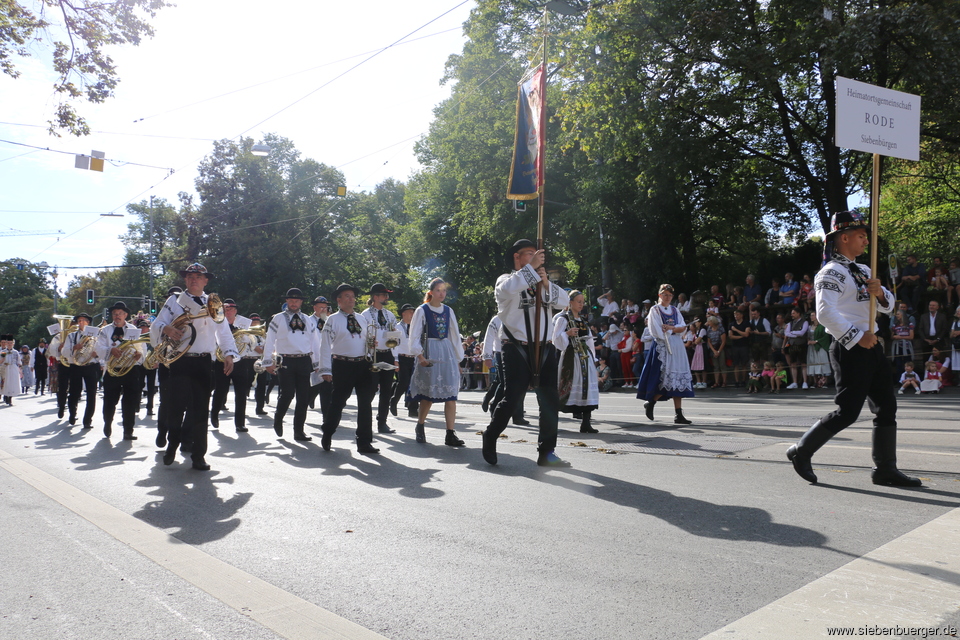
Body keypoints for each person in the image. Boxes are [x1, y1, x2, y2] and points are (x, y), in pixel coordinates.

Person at [786, 211, 921, 487]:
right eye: (861, 236)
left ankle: (884, 469)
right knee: (847, 411)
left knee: (886, 406)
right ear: (843, 238)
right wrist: (857, 336)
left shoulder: (865, 269)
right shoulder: (831, 272)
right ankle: (802, 451)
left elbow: (888, 306)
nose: (865, 242)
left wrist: (880, 292)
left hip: (872, 345)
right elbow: (824, 313)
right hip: (850, 346)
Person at [482, 239, 571, 467]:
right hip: (516, 347)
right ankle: (491, 435)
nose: (535, 257)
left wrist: (545, 282)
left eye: (537, 254)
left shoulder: (540, 281)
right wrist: (531, 269)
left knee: (550, 402)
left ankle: (547, 452)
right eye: (529, 254)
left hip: (544, 348)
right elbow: (508, 290)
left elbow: (564, 301)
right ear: (517, 257)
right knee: (512, 399)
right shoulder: (506, 280)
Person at [152, 263, 239, 471]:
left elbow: (223, 331)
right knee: (176, 407)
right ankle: (172, 444)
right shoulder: (174, 300)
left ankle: (199, 455)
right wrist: (167, 328)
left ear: (205, 281)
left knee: (200, 410)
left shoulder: (213, 303)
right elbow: (156, 323)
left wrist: (228, 354)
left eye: (198, 277)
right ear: (185, 280)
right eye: (190, 276)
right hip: (180, 360)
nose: (194, 280)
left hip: (203, 361)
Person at [319, 283, 380, 454]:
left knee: (365, 405)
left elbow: (367, 340)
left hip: (363, 365)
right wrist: (325, 369)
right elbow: (324, 346)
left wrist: (372, 345)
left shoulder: (362, 318)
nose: (351, 299)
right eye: (347, 296)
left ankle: (364, 442)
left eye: (353, 296)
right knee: (338, 403)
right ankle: (328, 431)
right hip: (342, 365)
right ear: (339, 300)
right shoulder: (332, 320)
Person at [407, 278, 465, 446]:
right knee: (429, 396)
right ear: (431, 292)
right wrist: (420, 356)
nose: (442, 293)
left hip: (446, 353)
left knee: (451, 395)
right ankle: (420, 425)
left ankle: (450, 433)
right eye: (439, 290)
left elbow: (454, 336)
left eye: (444, 290)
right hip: (430, 353)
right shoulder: (422, 310)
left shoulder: (448, 311)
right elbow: (415, 335)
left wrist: (457, 359)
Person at [262, 288, 322, 442]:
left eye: (297, 300)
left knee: (303, 398)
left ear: (301, 302)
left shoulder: (308, 320)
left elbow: (315, 342)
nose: (294, 303)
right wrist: (267, 361)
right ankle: (278, 418)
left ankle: (298, 431)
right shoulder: (278, 318)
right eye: (291, 300)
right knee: (287, 394)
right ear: (287, 301)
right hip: (286, 361)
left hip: (304, 361)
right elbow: (270, 340)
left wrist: (317, 363)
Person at [637, 284, 694, 424]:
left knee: (677, 378)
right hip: (663, 347)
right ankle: (651, 402)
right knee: (665, 378)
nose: (667, 297)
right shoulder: (655, 310)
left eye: (669, 295)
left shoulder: (675, 310)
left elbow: (683, 327)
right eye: (665, 294)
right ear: (659, 295)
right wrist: (672, 330)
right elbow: (655, 330)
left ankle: (678, 413)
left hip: (677, 346)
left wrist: (671, 328)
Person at [553, 290, 600, 433]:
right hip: (571, 358)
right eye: (578, 301)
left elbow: (590, 341)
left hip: (585, 358)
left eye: (582, 302)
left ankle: (586, 423)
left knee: (587, 390)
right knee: (568, 388)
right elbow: (555, 339)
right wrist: (566, 334)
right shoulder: (563, 319)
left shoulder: (583, 321)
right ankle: (552, 422)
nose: (581, 304)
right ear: (570, 302)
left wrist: (594, 358)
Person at [210, 299, 256, 434]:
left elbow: (252, 343)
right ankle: (214, 414)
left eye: (231, 309)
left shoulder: (244, 323)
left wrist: (245, 338)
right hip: (222, 360)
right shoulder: (217, 322)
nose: (228, 311)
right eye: (226, 309)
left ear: (235, 311)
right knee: (220, 390)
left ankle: (240, 423)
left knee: (241, 393)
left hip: (241, 361)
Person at [360, 283, 400, 434]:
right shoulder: (364, 315)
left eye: (387, 295)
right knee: (370, 389)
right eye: (384, 295)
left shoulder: (390, 315)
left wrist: (395, 356)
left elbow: (394, 341)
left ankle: (382, 422)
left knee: (386, 390)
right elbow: (362, 336)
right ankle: (364, 419)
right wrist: (369, 343)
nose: (386, 297)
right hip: (373, 355)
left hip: (387, 354)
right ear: (375, 297)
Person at [153, 285, 182, 446]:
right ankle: (162, 432)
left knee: (184, 400)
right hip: (166, 360)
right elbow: (154, 337)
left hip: (184, 358)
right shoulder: (162, 318)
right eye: (171, 297)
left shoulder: (186, 313)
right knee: (165, 400)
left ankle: (181, 437)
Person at [390, 304, 420, 419]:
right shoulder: (396, 327)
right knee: (403, 382)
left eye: (413, 312)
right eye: (410, 312)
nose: (413, 314)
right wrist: (395, 360)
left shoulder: (416, 328)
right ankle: (394, 400)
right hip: (402, 358)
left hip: (414, 358)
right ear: (403, 314)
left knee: (415, 383)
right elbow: (392, 345)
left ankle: (413, 408)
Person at [307, 296, 334, 422]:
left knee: (327, 388)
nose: (323, 309)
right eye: (321, 307)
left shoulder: (330, 321)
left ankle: (326, 416)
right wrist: (315, 362)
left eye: (325, 307)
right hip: (312, 359)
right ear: (315, 308)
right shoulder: (308, 320)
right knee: (313, 386)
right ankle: (309, 398)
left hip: (328, 358)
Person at [783, 308, 809, 389]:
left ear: (798, 313)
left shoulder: (805, 322)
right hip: (792, 345)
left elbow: (802, 333)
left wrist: (792, 332)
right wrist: (795, 333)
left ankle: (805, 382)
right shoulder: (790, 323)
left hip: (802, 345)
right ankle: (795, 382)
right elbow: (786, 333)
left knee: (803, 363)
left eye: (793, 313)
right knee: (793, 363)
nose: (792, 315)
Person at [806, 311, 832, 388]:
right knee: (813, 362)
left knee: (822, 362)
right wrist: (809, 341)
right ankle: (815, 382)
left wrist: (816, 341)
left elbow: (826, 337)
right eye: (811, 315)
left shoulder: (822, 326)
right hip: (812, 347)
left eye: (813, 315)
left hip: (820, 346)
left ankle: (824, 382)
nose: (811, 317)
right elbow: (808, 335)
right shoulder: (810, 327)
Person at [726, 307, 751, 387]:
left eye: (737, 314)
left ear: (741, 315)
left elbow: (747, 334)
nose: (736, 316)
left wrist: (736, 330)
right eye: (735, 315)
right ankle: (736, 381)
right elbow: (730, 336)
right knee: (736, 364)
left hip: (744, 346)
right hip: (735, 346)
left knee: (744, 364)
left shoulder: (746, 323)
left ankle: (743, 380)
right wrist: (741, 336)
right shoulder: (731, 324)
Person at [703, 316, 727, 388]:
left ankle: (724, 382)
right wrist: (714, 351)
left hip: (720, 347)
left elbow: (723, 341)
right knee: (715, 366)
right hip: (713, 348)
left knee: (722, 365)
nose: (708, 323)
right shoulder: (709, 329)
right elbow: (709, 341)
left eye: (709, 322)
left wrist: (719, 351)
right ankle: (717, 382)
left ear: (713, 321)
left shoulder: (720, 328)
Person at [0, 335, 21, 405]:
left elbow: (19, 361)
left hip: (13, 368)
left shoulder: (16, 352)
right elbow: (0, 361)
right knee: (6, 383)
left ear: (13, 344)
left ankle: (10, 398)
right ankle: (6, 396)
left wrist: (20, 370)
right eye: (8, 343)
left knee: (12, 383)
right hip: (6, 368)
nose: (9, 344)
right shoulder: (3, 352)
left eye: (11, 343)